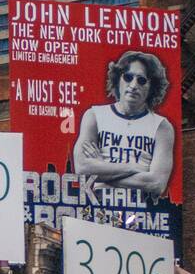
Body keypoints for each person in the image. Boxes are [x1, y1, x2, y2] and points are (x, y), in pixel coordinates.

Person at [73, 50, 175, 202]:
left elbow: (156, 183)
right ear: (118, 79)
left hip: (142, 214)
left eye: (141, 80)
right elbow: (81, 168)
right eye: (128, 77)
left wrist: (102, 169)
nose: (133, 85)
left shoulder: (162, 127)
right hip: (98, 207)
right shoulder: (94, 115)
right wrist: (134, 168)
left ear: (152, 86)